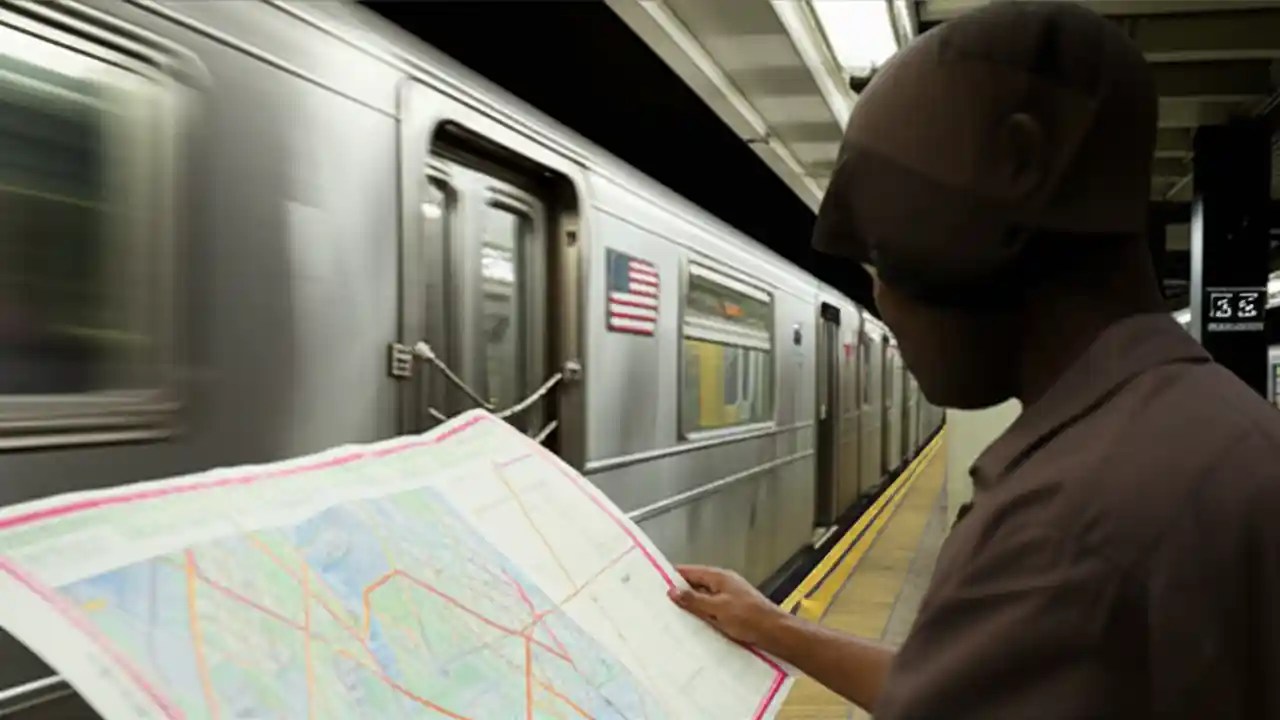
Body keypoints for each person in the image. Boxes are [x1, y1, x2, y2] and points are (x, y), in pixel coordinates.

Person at [669, 2, 1280, 718]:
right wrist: (773, 628)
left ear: (1016, 169)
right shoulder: (1225, 431)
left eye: (882, 254)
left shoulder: (1065, 528)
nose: (884, 303)